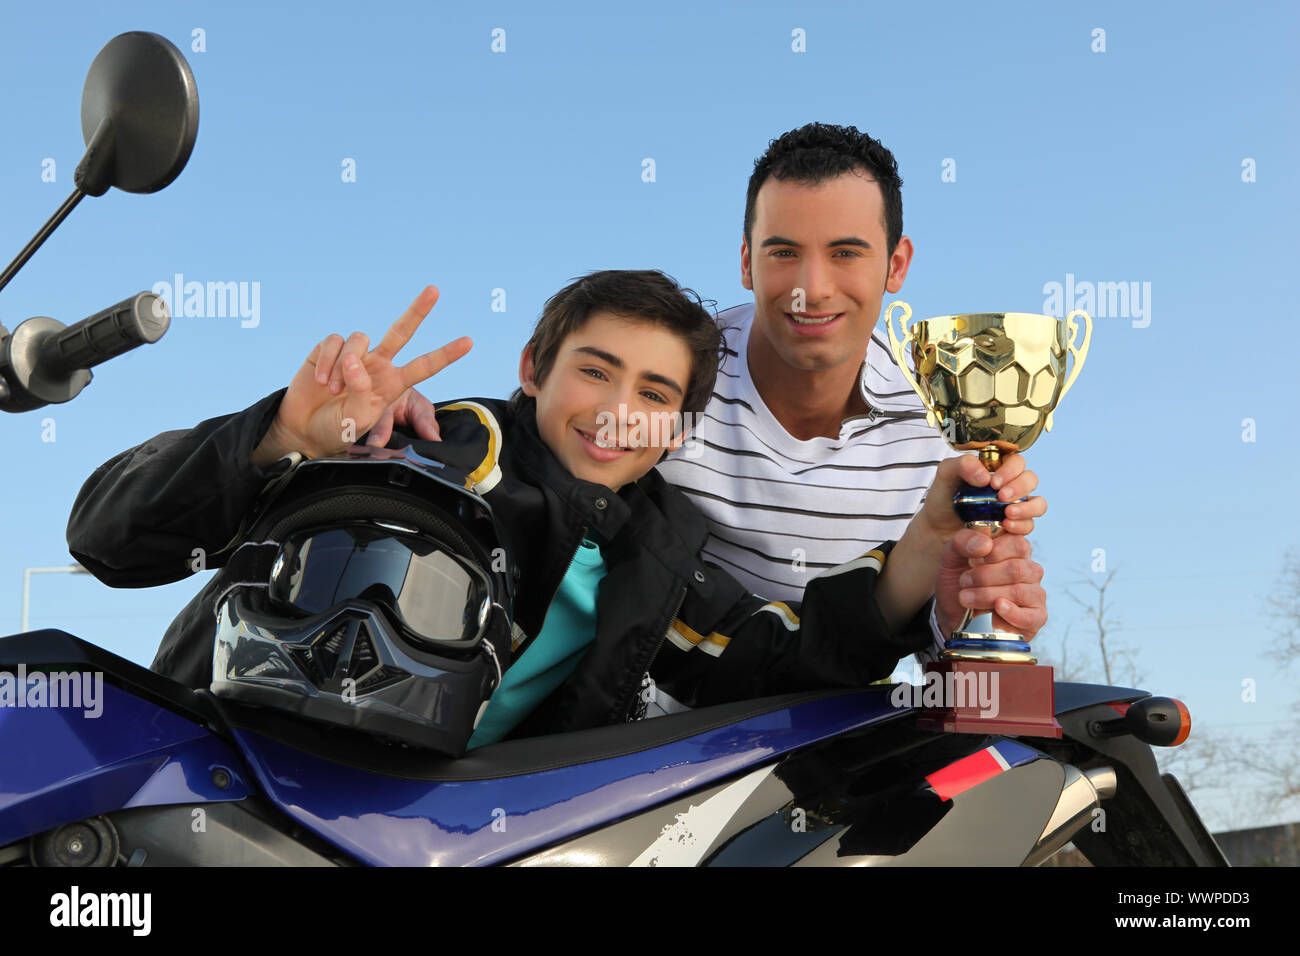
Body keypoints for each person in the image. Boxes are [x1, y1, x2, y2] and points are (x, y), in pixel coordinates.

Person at [66, 270, 1042, 744]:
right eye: (596, 370)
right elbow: (109, 534)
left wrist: (925, 543)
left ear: (680, 428)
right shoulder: (417, 443)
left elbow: (782, 658)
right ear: (533, 370)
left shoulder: (663, 556)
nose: (620, 408)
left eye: (657, 394)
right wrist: (284, 436)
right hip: (212, 802)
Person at [363, 124, 1049, 655]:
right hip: (640, 738)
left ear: (896, 264)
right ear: (747, 261)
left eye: (846, 252)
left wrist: (961, 614)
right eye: (783, 252)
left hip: (818, 724)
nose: (812, 287)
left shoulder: (941, 432)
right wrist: (397, 430)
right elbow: (541, 443)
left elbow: (928, 649)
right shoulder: (669, 381)